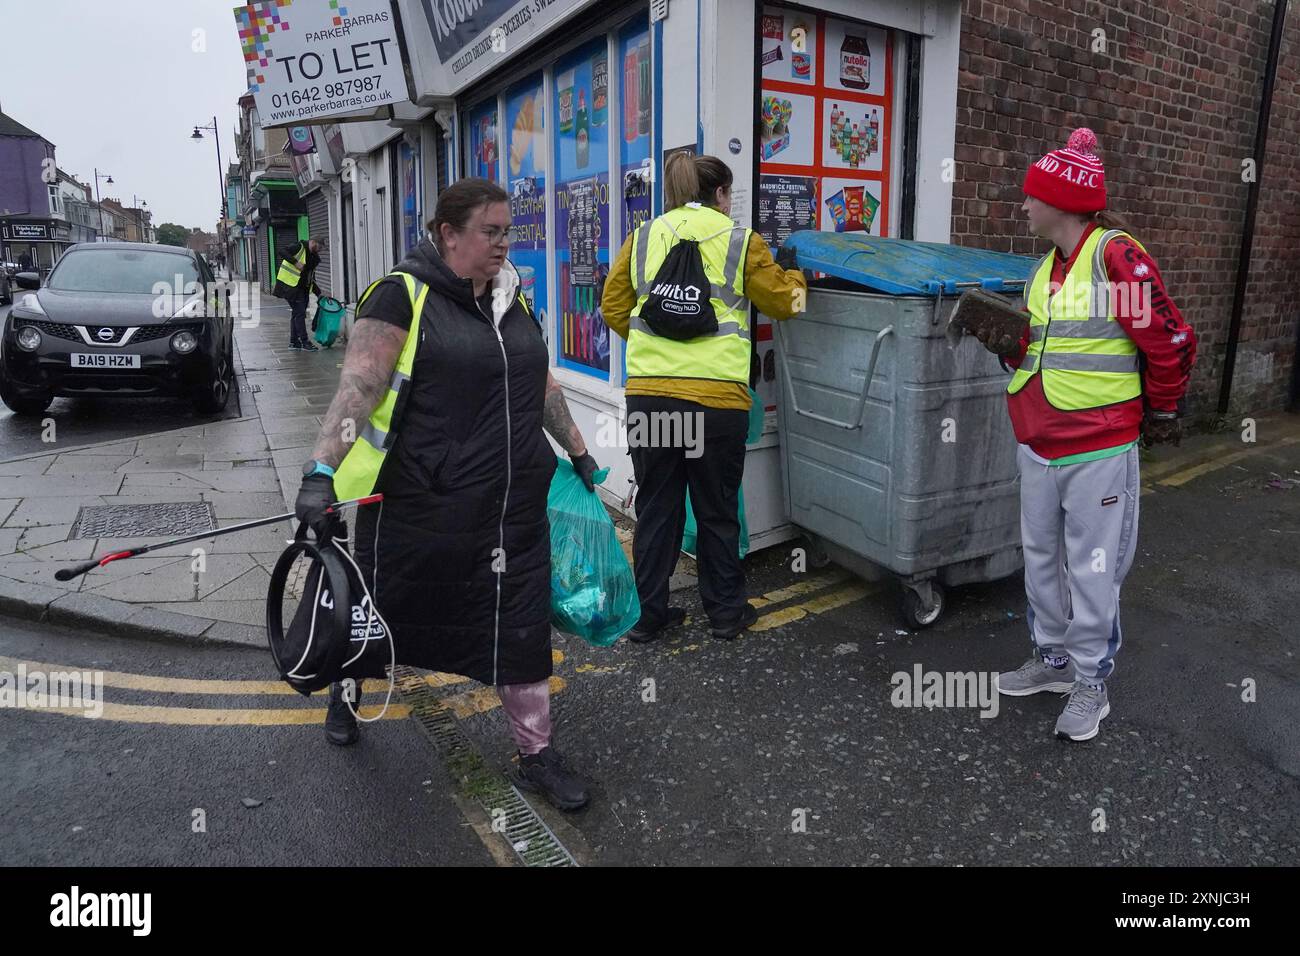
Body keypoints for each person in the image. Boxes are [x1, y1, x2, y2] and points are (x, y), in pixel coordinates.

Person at [294, 178, 601, 811]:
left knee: (521, 629)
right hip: (424, 504)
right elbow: (360, 387)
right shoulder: (401, 295)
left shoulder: (513, 299)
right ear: (448, 234)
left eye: (507, 231)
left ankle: (536, 755)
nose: (502, 244)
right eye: (490, 232)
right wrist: (320, 473)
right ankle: (345, 692)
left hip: (512, 509)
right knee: (380, 610)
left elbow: (537, 382)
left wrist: (578, 448)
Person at [973, 128, 1196, 741]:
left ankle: (1091, 683)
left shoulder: (1115, 257)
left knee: (1093, 569)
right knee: (1041, 559)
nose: (1023, 206)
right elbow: (1045, 352)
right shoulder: (1044, 268)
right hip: (1039, 442)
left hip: (1099, 445)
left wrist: (1164, 411)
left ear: (1061, 203)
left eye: (1030, 197)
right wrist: (1006, 344)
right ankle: (1052, 662)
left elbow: (1171, 338)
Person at [600, 153, 807, 643]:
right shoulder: (742, 242)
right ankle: (725, 615)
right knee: (715, 510)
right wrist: (795, 274)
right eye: (729, 194)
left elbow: (613, 306)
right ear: (718, 194)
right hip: (717, 406)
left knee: (656, 508)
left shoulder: (643, 237)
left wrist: (658, 342)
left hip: (652, 401)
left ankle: (648, 618)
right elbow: (787, 304)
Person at [275, 236, 323, 351]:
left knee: (296, 314)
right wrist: (295, 262)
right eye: (319, 246)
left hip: (302, 289)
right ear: (313, 242)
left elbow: (310, 277)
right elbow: (281, 251)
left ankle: (294, 342)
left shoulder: (314, 257)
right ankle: (305, 342)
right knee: (300, 314)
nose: (320, 250)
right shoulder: (299, 247)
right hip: (290, 286)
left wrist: (318, 293)